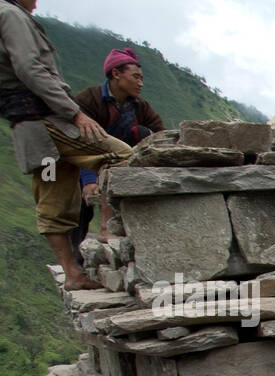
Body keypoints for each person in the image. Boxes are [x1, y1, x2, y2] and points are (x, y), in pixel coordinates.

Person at [0, 0, 132, 290]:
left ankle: (73, 274)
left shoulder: (11, 15)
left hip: (34, 136)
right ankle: (107, 228)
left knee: (52, 189)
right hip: (52, 124)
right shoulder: (9, 15)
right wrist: (74, 113)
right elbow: (29, 68)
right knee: (121, 155)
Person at [69, 48, 164, 254]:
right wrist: (89, 180)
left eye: (141, 78)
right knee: (78, 214)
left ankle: (114, 233)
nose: (141, 83)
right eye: (135, 77)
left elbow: (161, 134)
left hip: (119, 165)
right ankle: (76, 264)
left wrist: (143, 135)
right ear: (116, 74)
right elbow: (80, 142)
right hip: (83, 163)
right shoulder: (90, 99)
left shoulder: (140, 106)